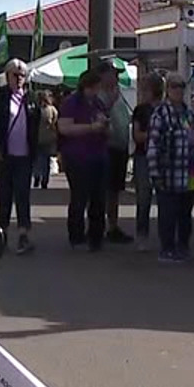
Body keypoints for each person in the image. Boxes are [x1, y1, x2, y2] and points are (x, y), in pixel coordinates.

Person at [0, 59, 41, 255]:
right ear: (7, 76)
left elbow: (36, 124)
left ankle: (24, 234)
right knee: (5, 196)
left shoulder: (31, 98)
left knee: (23, 195)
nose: (18, 79)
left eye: (22, 75)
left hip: (24, 155)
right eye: (15, 75)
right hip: (4, 156)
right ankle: (3, 232)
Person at [145, 75, 194, 263]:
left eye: (182, 86)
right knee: (167, 214)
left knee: (185, 215)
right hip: (167, 174)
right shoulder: (160, 114)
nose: (179, 90)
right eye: (175, 87)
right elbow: (152, 146)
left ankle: (183, 246)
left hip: (188, 174)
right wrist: (155, 173)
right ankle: (167, 248)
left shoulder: (189, 114)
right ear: (167, 89)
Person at [57, 70, 111, 252]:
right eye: (93, 87)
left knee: (98, 199)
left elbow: (104, 126)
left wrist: (104, 126)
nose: (95, 91)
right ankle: (76, 236)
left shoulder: (98, 103)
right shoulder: (72, 103)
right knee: (79, 198)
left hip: (98, 155)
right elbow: (64, 128)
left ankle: (96, 237)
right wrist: (90, 128)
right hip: (77, 157)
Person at [100, 65, 135, 244]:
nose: (116, 78)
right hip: (107, 149)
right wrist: (111, 101)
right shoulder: (101, 95)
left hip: (120, 149)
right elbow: (100, 115)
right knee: (107, 190)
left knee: (115, 191)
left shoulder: (118, 94)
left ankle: (113, 226)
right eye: (113, 74)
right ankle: (104, 225)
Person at [131, 73, 165, 245]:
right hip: (143, 156)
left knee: (164, 198)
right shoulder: (141, 110)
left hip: (162, 157)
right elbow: (137, 136)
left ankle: (164, 236)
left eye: (145, 89)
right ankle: (142, 235)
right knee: (143, 198)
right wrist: (156, 135)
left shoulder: (166, 109)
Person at [36, 88, 60, 189]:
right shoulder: (52, 109)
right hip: (49, 138)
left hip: (37, 137)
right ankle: (44, 180)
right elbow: (55, 123)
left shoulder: (36, 109)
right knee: (45, 160)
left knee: (38, 159)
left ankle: (38, 176)